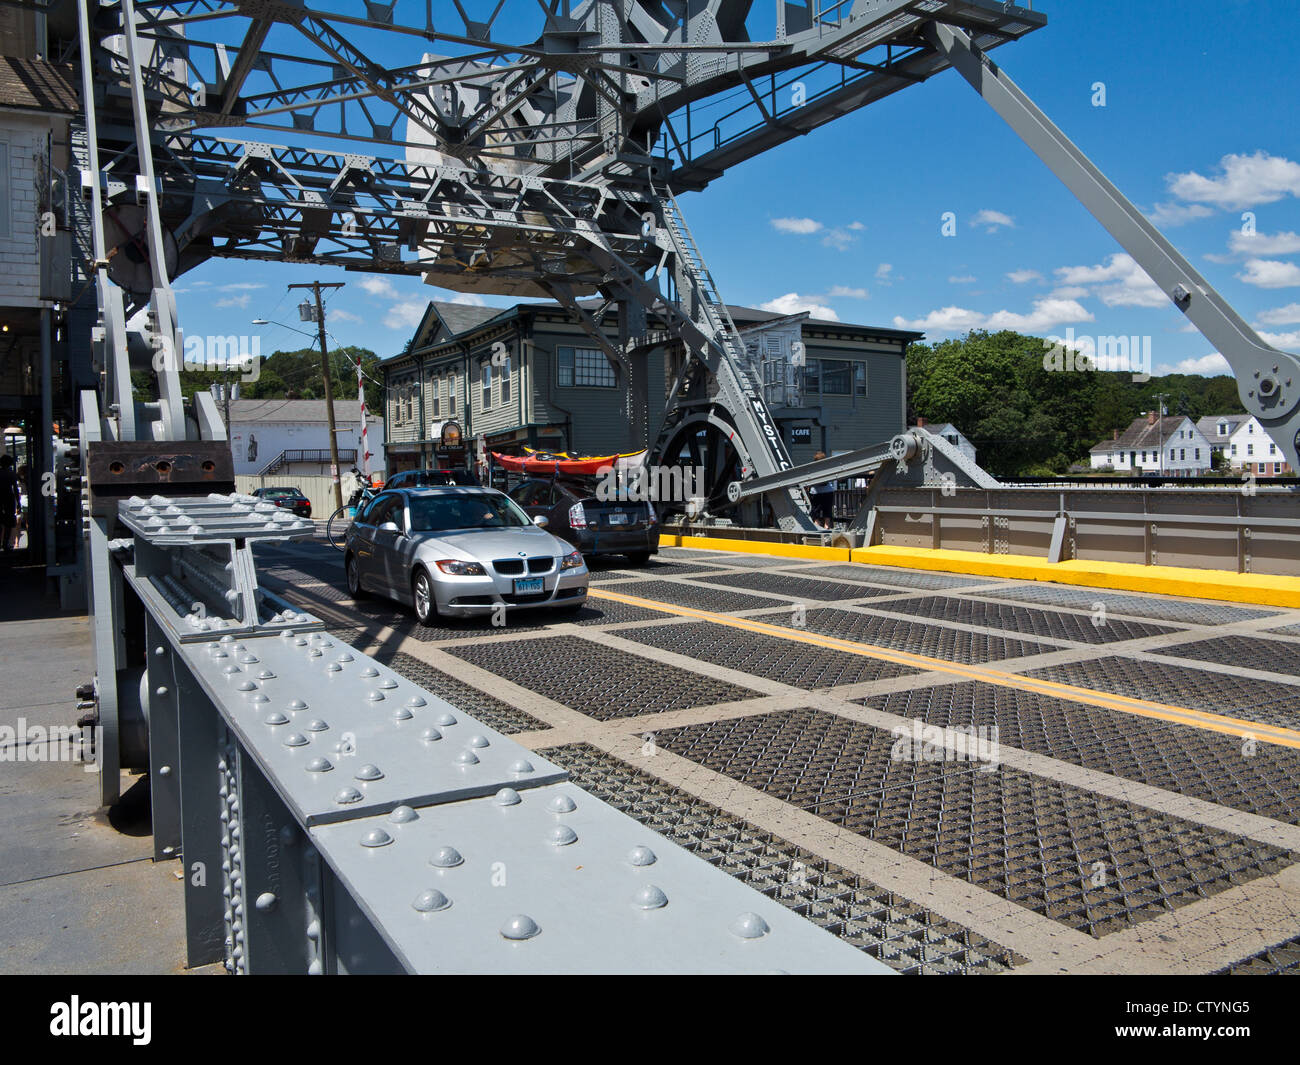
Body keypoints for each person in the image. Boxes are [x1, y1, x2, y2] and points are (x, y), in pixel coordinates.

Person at [806, 451, 835, 529]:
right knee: (827, 511)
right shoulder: (827, 467)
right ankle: (827, 526)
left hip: (816, 492)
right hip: (828, 491)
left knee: (815, 511)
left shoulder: (812, 467)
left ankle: (817, 526)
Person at [0, 455, 20, 553]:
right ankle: (5, 544)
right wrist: (18, 502)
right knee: (8, 524)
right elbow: (15, 489)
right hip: (8, 499)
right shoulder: (11, 474)